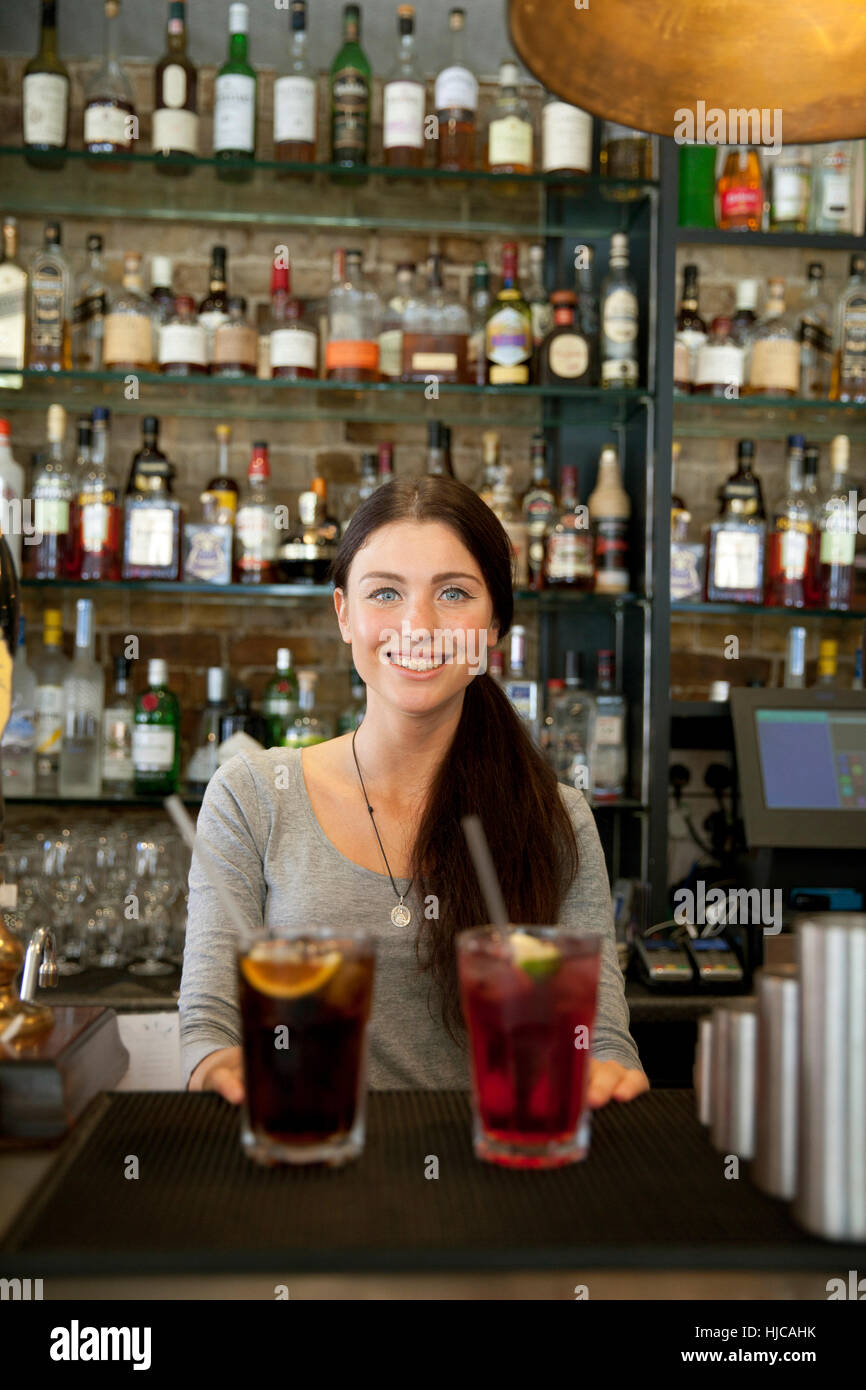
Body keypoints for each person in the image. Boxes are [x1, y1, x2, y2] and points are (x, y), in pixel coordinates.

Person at [180, 474, 648, 1109]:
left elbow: (597, 1041)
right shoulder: (254, 797)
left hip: (498, 1180)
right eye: (385, 593)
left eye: (453, 593)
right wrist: (226, 1070)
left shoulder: (555, 816)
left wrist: (605, 1074)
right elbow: (211, 1028)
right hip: (306, 1169)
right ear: (344, 614)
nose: (419, 624)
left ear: (494, 625)